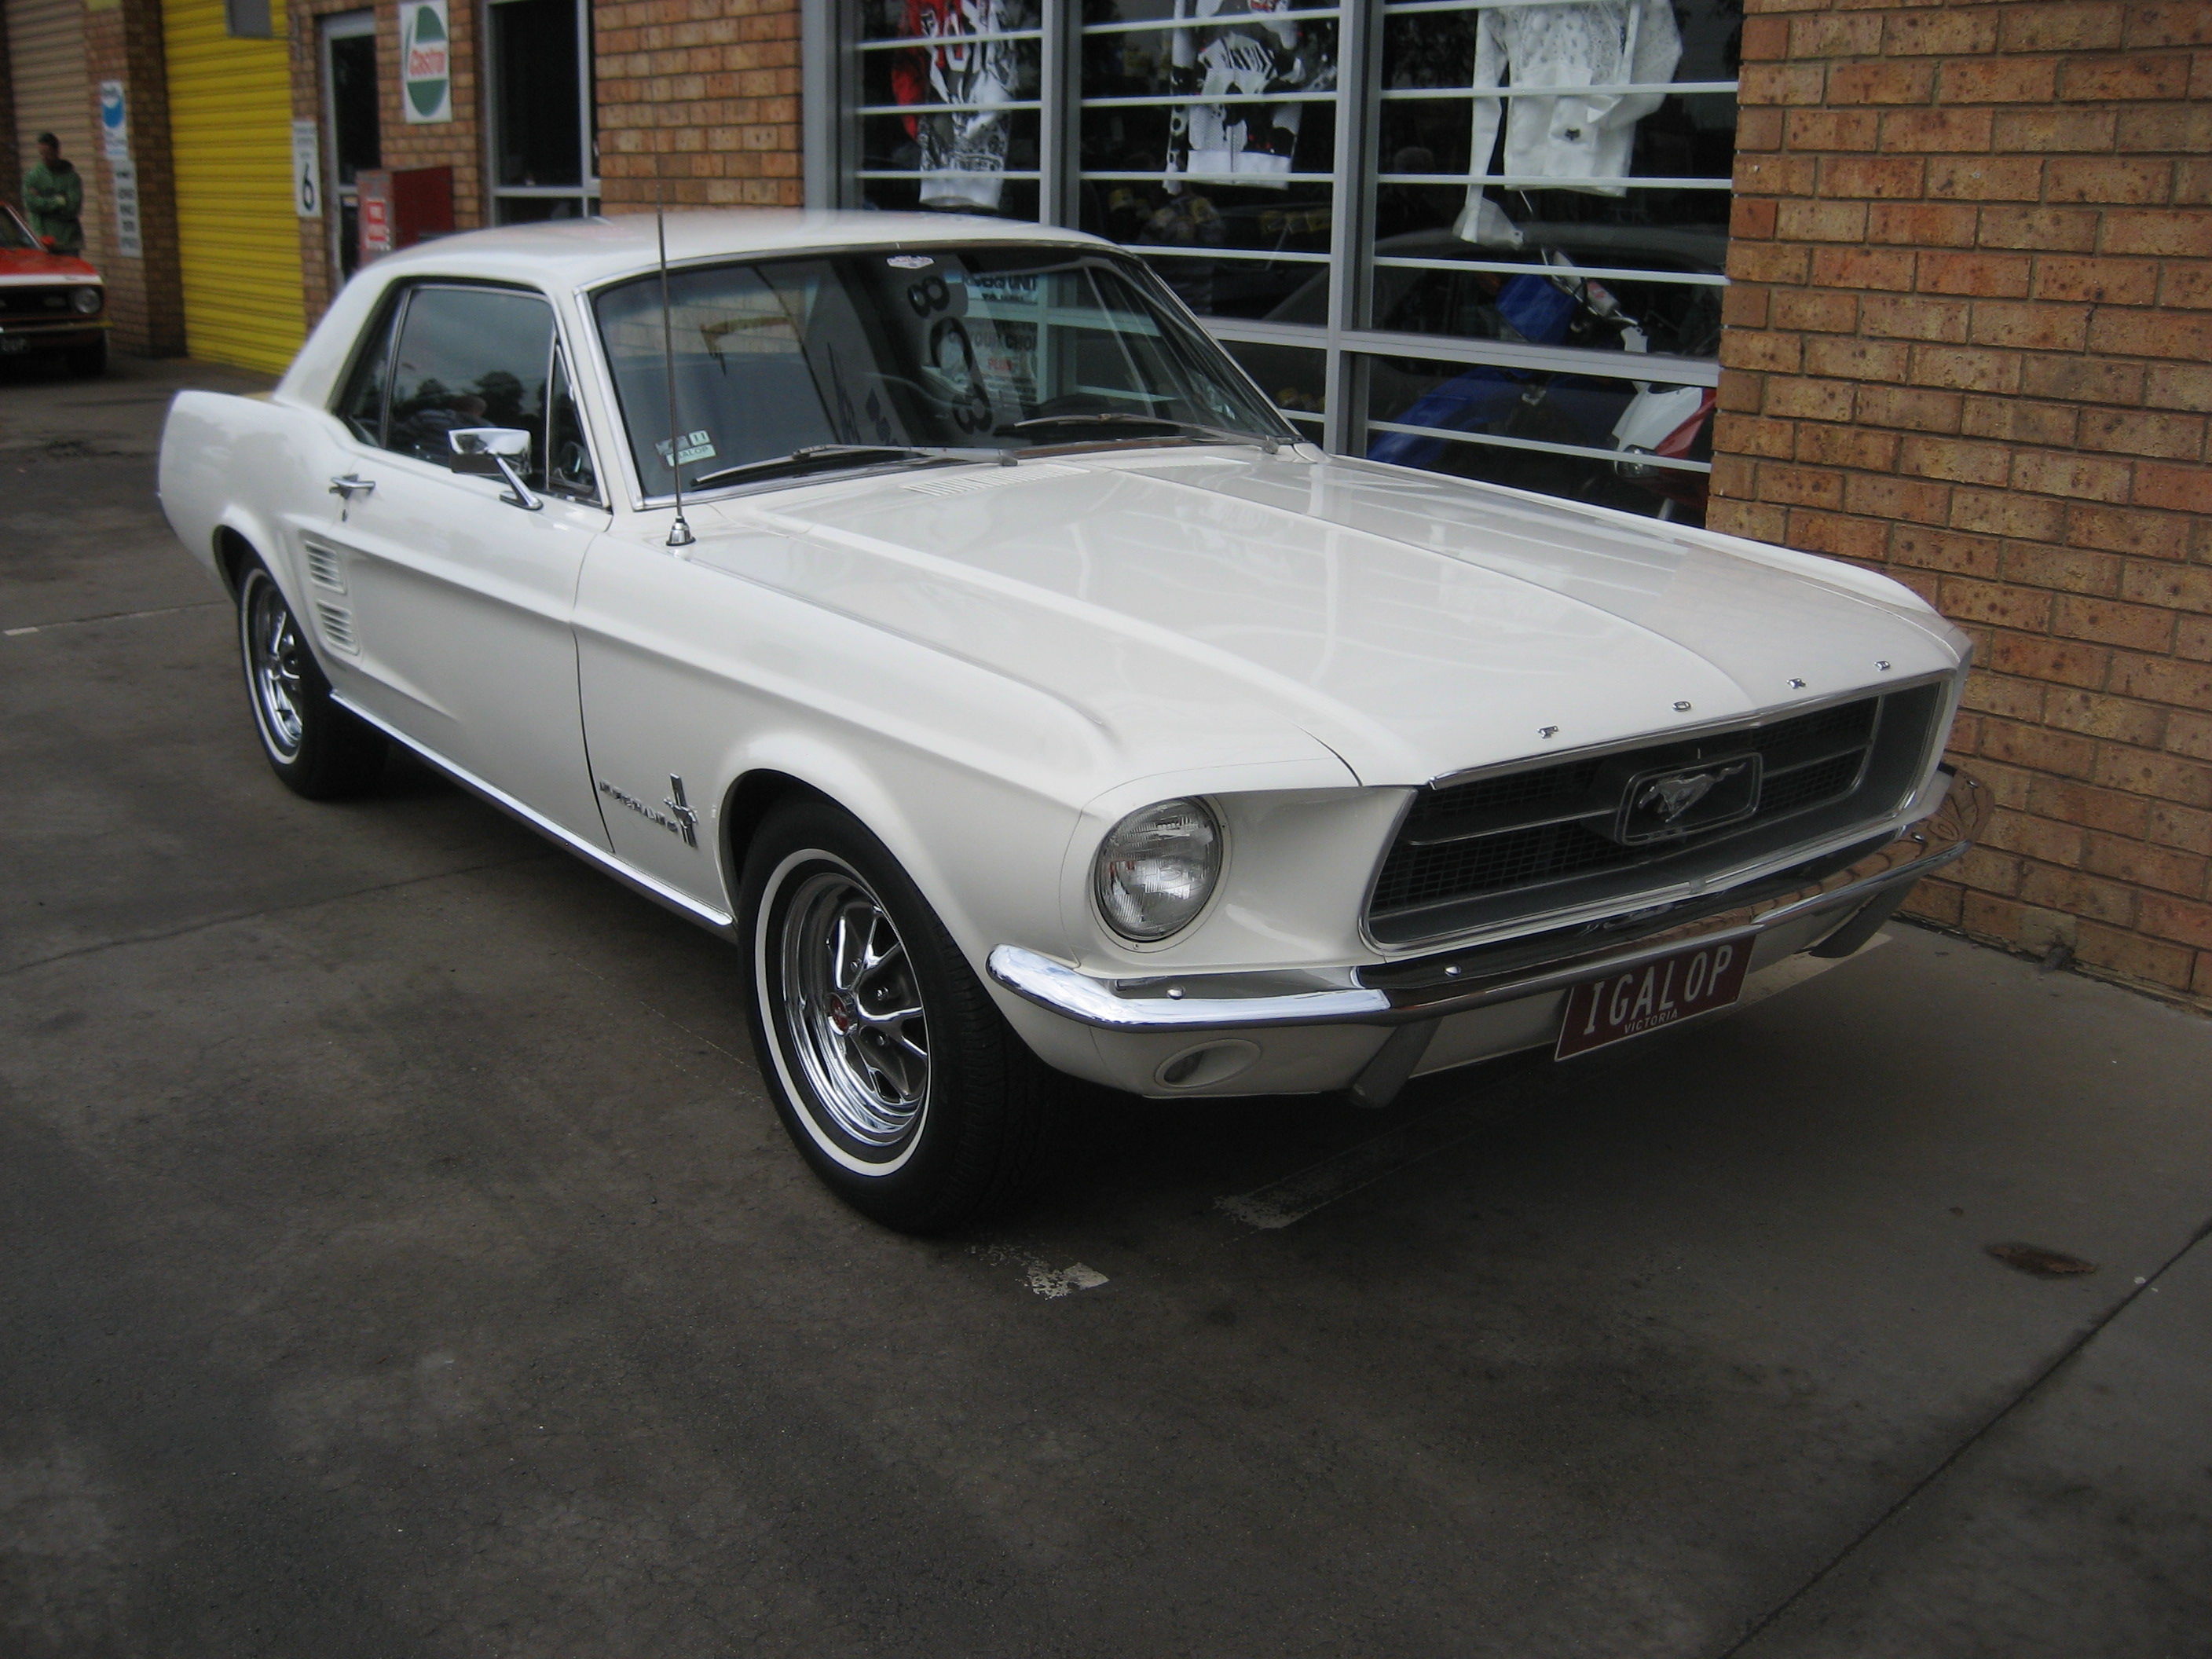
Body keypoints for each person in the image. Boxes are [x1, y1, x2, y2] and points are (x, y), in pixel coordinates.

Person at [24, 132, 85, 255]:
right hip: (41, 241)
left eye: (48, 153)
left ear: (57, 152)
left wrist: (42, 206)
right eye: (41, 153)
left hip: (67, 242)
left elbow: (73, 209)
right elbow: (30, 204)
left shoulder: (71, 177)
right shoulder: (34, 177)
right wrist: (58, 201)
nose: (44, 157)